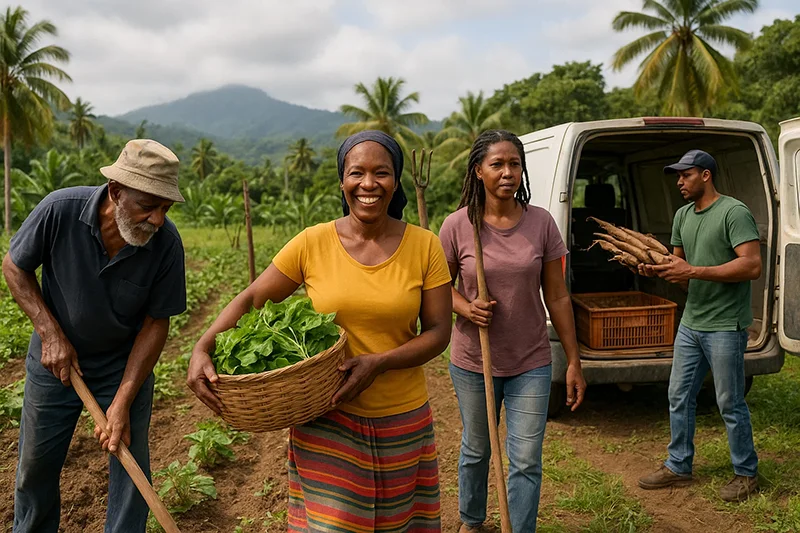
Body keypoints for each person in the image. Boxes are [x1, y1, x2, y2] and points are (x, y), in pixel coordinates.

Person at [187, 130, 453, 532]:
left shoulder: (425, 246)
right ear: (341, 180)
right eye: (356, 173)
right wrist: (201, 347)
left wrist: (380, 363)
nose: (368, 184)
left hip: (401, 418)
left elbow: (438, 332)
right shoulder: (313, 242)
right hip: (326, 416)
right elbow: (252, 297)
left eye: (381, 173)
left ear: (395, 181)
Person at [3, 139, 187, 533]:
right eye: (147, 206)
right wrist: (50, 333)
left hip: (123, 368)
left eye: (164, 209)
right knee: (35, 464)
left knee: (130, 463)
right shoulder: (59, 211)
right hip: (55, 363)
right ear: (116, 192)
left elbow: (157, 323)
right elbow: (15, 268)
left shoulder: (166, 245)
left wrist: (122, 399)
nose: (156, 220)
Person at [438, 129, 587, 533]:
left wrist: (573, 360)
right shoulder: (457, 226)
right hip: (473, 360)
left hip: (531, 362)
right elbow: (438, 290)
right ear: (478, 171)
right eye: (497, 164)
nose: (507, 172)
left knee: (525, 459)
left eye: (514, 164)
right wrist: (467, 307)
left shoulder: (541, 223)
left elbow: (557, 297)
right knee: (476, 448)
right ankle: (471, 521)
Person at [638, 149, 762, 502]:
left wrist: (692, 271)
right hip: (692, 322)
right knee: (678, 395)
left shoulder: (733, 212)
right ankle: (679, 465)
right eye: (677, 176)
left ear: (706, 175)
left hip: (725, 325)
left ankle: (746, 472)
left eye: (686, 175)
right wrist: (657, 269)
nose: (679, 182)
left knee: (729, 402)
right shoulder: (682, 216)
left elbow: (751, 266)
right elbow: (681, 273)